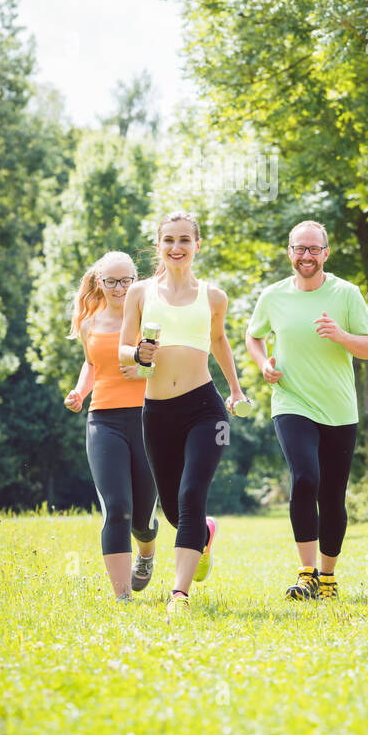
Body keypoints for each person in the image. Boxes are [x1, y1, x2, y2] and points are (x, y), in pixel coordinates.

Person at [120, 211, 249, 616]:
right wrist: (137, 352)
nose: (176, 248)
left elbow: (219, 341)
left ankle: (179, 594)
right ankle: (204, 533)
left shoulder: (214, 296)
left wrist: (236, 389)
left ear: (197, 245)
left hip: (204, 409)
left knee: (192, 494)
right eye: (169, 240)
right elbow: (122, 350)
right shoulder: (140, 293)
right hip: (157, 412)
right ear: (158, 244)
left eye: (184, 240)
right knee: (176, 510)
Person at [246, 220, 368, 602]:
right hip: (291, 402)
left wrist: (342, 335)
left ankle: (328, 577)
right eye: (299, 248)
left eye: (314, 249)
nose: (306, 255)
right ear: (289, 252)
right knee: (305, 478)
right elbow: (253, 335)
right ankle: (306, 575)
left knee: (333, 495)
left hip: (339, 409)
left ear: (326, 253)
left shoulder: (346, 294)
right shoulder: (273, 296)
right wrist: (263, 364)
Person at [64, 251, 158, 604]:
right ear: (99, 282)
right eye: (112, 281)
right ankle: (123, 597)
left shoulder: (151, 317)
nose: (119, 288)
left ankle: (146, 553)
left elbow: (174, 361)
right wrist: (79, 392)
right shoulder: (89, 324)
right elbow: (92, 364)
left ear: (137, 280)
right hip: (103, 419)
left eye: (126, 281)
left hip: (149, 418)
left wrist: (145, 368)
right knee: (117, 507)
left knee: (142, 519)